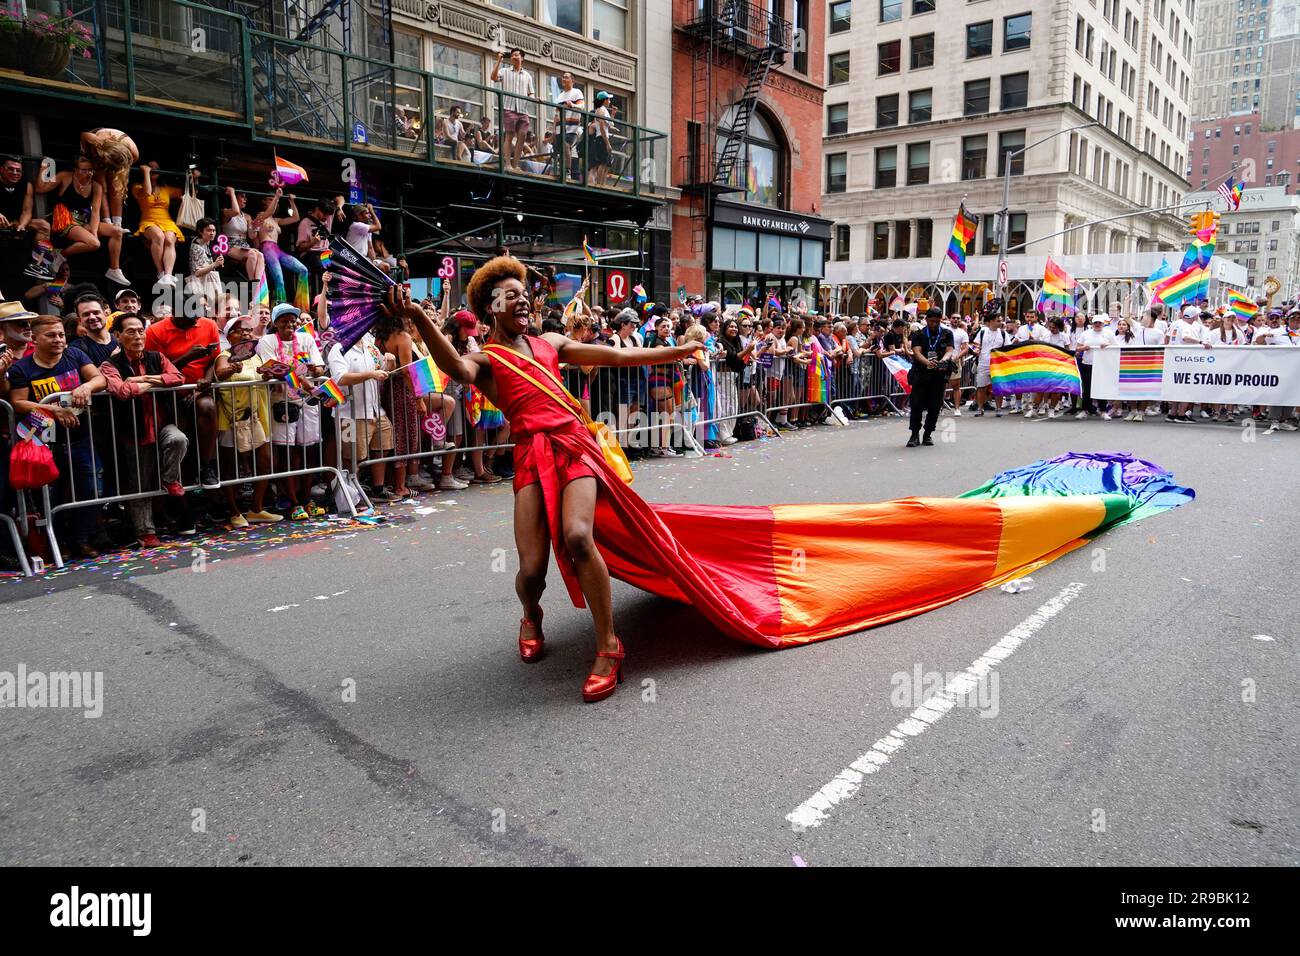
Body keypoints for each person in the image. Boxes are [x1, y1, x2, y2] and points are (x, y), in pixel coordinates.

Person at [397, 256, 699, 701]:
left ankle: (608, 645)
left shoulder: (551, 343)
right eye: (510, 295)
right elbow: (458, 371)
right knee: (532, 569)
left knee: (578, 536)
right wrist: (419, 315)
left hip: (574, 446)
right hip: (531, 456)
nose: (522, 300)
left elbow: (615, 354)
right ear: (491, 307)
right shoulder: (486, 358)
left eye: (523, 293)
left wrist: (674, 352)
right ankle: (531, 613)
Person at [6, 314, 106, 558]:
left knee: (93, 486)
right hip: (43, 439)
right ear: (36, 339)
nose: (58, 340)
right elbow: (17, 402)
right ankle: (57, 542)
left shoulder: (75, 355)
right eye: (50, 335)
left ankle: (82, 539)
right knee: (49, 494)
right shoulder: (22, 368)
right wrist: (52, 408)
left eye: (61, 334)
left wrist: (85, 386)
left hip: (80, 436)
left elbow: (99, 378)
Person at [98, 313, 190, 546]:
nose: (138, 336)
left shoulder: (156, 357)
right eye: (131, 331)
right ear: (117, 336)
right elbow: (121, 391)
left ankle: (169, 479)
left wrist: (147, 379)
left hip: (161, 423)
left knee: (178, 439)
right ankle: (145, 532)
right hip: (132, 428)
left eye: (141, 330)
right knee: (139, 481)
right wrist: (155, 382)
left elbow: (178, 376)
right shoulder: (109, 365)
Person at [256, 303, 325, 518]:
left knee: (308, 450)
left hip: (307, 403)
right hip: (281, 402)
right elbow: (274, 370)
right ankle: (293, 502)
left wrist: (314, 369)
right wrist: (297, 374)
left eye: (292, 321)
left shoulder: (306, 339)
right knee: (286, 453)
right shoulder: (266, 342)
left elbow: (320, 367)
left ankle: (307, 499)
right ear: (275, 323)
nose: (290, 324)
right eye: (284, 321)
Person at [212, 316, 282, 526]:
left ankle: (256, 509)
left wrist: (268, 375)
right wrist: (232, 368)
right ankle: (234, 512)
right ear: (228, 335)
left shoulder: (256, 357)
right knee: (230, 466)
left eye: (247, 330)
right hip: (231, 417)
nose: (244, 334)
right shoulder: (224, 356)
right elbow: (220, 373)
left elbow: (263, 379)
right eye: (238, 330)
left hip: (258, 415)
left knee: (265, 460)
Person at [145, 306, 222, 486]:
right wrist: (187, 357)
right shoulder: (155, 331)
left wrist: (205, 380)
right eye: (191, 318)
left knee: (207, 407)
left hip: (198, 390)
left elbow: (213, 360)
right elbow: (155, 371)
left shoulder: (208, 325)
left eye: (198, 316)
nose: (196, 321)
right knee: (181, 445)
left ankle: (206, 467)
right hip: (167, 396)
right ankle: (179, 496)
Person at [253, 188, 308, 312]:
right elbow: (269, 212)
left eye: (274, 200)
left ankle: (302, 307)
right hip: (267, 247)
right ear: (263, 202)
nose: (273, 202)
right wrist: (277, 197)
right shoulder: (261, 216)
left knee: (303, 270)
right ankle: (279, 310)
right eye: (270, 199)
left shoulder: (276, 220)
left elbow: (295, 217)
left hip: (277, 250)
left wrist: (292, 202)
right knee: (279, 279)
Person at [906, 307, 955, 446]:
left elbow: (949, 350)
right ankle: (914, 434)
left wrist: (943, 360)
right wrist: (928, 363)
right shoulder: (919, 334)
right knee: (916, 405)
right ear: (926, 320)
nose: (935, 324)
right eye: (932, 321)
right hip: (921, 373)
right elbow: (916, 352)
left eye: (937, 321)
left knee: (935, 406)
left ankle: (928, 434)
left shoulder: (947, 333)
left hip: (939, 375)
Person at [132, 163, 184, 288]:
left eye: (157, 168)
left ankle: (168, 274)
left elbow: (189, 193)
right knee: (159, 236)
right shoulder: (137, 186)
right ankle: (160, 273)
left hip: (167, 221)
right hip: (148, 220)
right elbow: (147, 192)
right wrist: (145, 172)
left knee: (170, 239)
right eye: (151, 167)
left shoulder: (166, 188)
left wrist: (195, 178)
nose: (154, 170)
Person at [491, 48, 536, 173]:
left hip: (522, 109)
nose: (514, 56)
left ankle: (515, 164)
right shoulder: (505, 71)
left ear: (522, 58)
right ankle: (507, 164)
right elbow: (493, 77)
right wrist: (499, 60)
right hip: (509, 107)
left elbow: (530, 92)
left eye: (516, 54)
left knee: (522, 135)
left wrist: (533, 98)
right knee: (509, 135)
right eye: (512, 55)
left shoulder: (527, 75)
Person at [220, 187, 266, 281]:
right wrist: (232, 193)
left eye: (245, 197)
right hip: (230, 245)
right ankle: (252, 281)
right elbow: (235, 211)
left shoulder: (247, 216)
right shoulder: (225, 212)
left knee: (260, 255)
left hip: (244, 245)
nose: (245, 199)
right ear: (234, 198)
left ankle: (256, 282)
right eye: (242, 196)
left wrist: (255, 227)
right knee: (252, 254)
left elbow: (251, 236)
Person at [1075, 314, 1114, 419]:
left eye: (1099, 323)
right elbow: (1077, 348)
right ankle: (1084, 410)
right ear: (1092, 323)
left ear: (1103, 323)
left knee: (1102, 387)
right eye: (1095, 322)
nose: (1097, 324)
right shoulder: (1085, 333)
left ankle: (1103, 411)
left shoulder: (1109, 333)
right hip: (1087, 363)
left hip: (1103, 364)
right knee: (1087, 388)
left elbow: (1116, 346)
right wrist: (1083, 348)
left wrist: (1108, 345)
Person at [188, 218, 226, 317]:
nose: (212, 233)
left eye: (213, 230)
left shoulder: (205, 243)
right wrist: (214, 264)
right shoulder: (197, 248)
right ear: (200, 231)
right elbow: (197, 272)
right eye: (208, 230)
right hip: (201, 286)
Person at [69, 294, 118, 367]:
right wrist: (110, 362)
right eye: (86, 314)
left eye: (96, 312)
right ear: (79, 320)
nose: (92, 317)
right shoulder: (76, 349)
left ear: (105, 314)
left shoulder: (120, 340)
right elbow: (84, 378)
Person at [553, 72, 585, 180]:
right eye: (563, 77)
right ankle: (561, 171)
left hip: (572, 127)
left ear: (572, 80)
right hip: (559, 127)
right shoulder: (560, 95)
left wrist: (573, 105)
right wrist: (553, 128)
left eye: (566, 77)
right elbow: (556, 113)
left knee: (566, 145)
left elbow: (582, 106)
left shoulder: (577, 92)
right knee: (560, 150)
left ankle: (567, 172)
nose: (563, 79)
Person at [586, 91, 614, 187]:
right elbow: (602, 127)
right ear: (604, 100)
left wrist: (613, 114)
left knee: (605, 163)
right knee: (603, 163)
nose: (609, 101)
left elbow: (608, 125)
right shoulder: (601, 110)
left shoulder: (602, 110)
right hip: (602, 138)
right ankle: (599, 185)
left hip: (602, 138)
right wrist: (607, 143)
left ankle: (601, 184)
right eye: (608, 99)